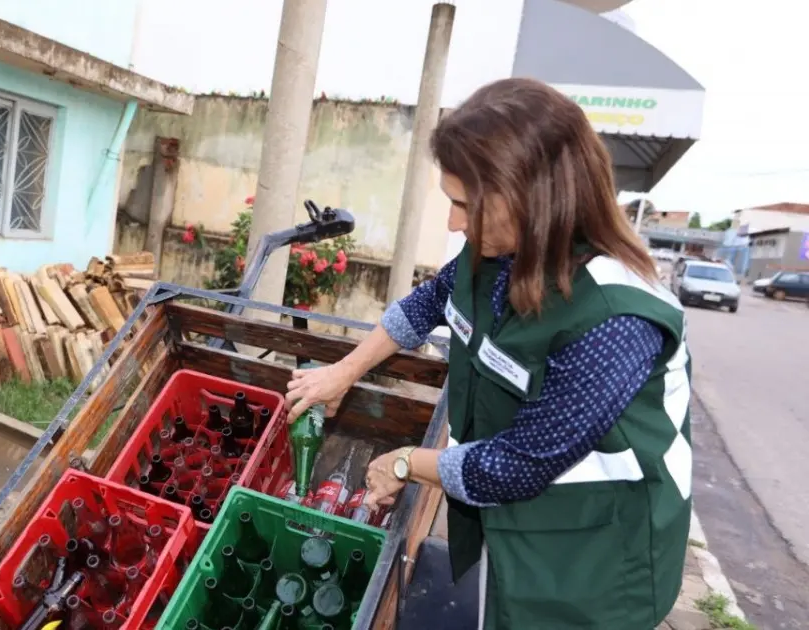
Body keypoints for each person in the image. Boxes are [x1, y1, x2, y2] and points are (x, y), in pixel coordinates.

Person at [285, 78, 692, 629]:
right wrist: (343, 371)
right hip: (515, 522)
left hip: (596, 557)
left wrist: (405, 461)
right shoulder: (494, 255)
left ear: (534, 198)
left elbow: (517, 466)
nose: (454, 224)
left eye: (464, 205)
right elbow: (427, 303)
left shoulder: (614, 319)